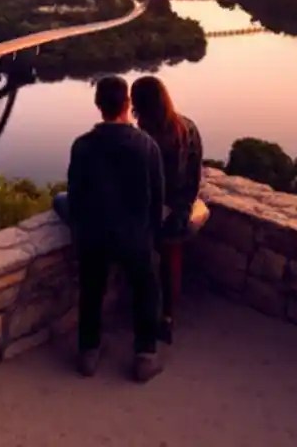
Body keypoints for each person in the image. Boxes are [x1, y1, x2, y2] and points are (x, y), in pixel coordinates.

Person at [66, 75, 166, 382]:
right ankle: (145, 355)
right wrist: (148, 237)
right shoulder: (146, 146)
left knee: (91, 289)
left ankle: (88, 352)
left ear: (98, 106)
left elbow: (75, 197)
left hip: (94, 236)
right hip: (133, 236)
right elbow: (157, 199)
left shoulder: (82, 146)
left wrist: (80, 232)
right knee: (146, 287)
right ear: (127, 105)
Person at [130, 76, 204, 345]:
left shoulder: (141, 138)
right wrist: (181, 207)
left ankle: (145, 315)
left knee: (145, 258)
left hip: (151, 216)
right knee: (171, 259)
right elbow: (195, 178)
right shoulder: (187, 128)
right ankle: (168, 318)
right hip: (178, 212)